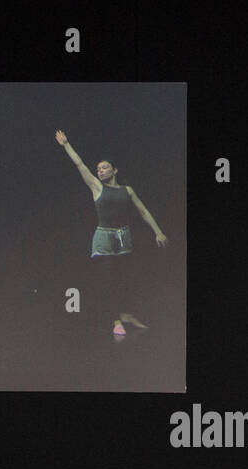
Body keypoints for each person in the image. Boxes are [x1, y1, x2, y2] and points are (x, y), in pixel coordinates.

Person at [54, 129, 168, 337]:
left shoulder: (127, 190)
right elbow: (80, 164)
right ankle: (116, 320)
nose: (100, 171)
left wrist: (158, 232)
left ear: (115, 170)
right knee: (110, 281)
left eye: (105, 167)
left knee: (125, 279)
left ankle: (126, 315)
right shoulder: (97, 187)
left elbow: (143, 211)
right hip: (104, 239)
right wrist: (66, 145)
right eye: (98, 168)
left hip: (123, 238)